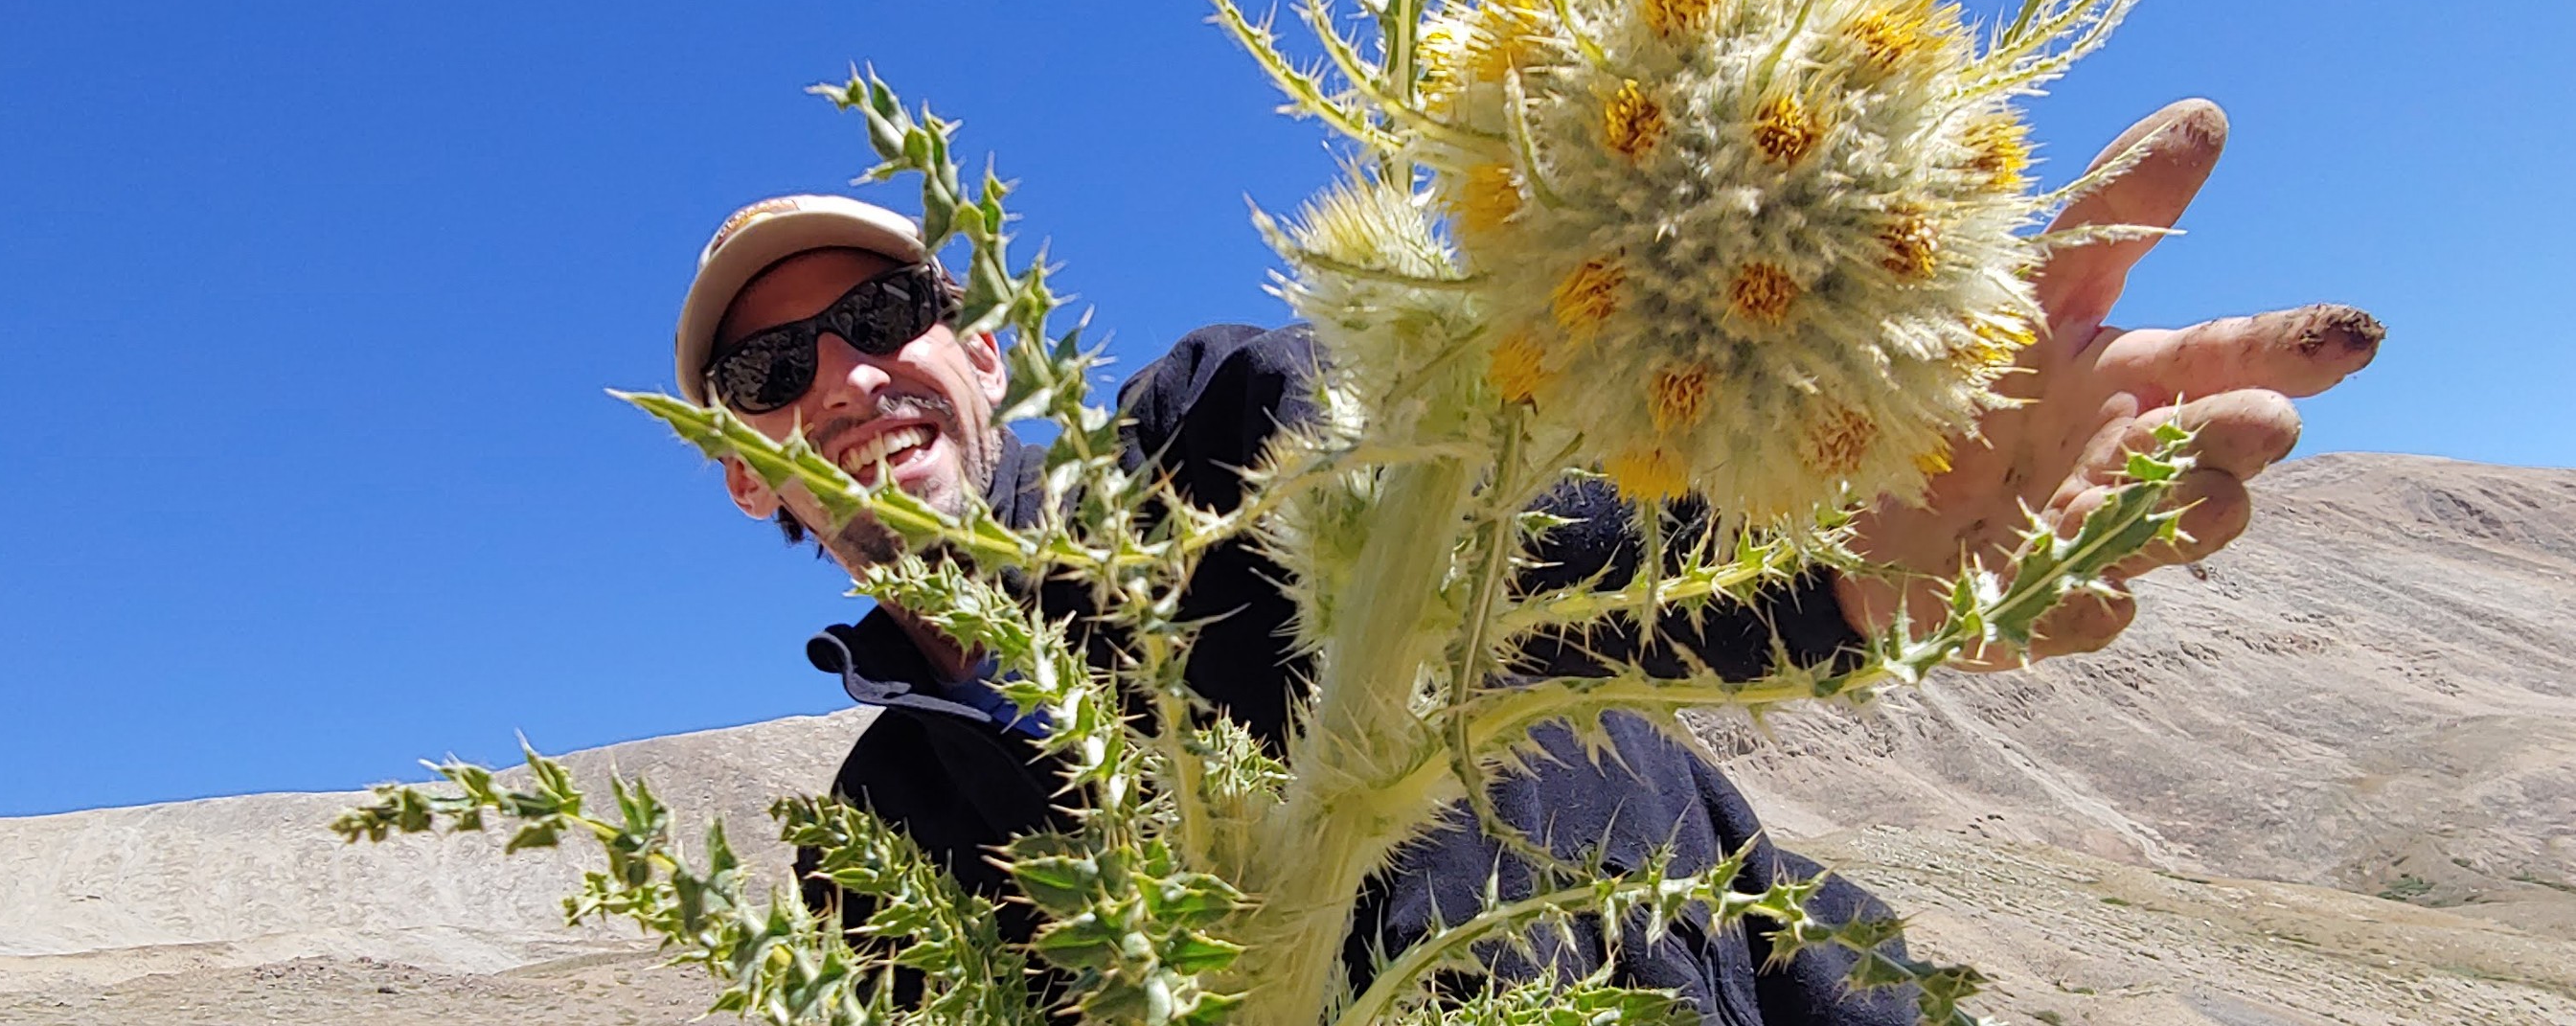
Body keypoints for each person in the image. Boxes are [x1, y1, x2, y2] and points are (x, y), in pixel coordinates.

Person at [670, 100, 2381, 1022]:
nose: (841, 378)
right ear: (745, 477)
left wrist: (1837, 551)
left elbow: (1529, 543)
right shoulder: (873, 847)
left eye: (883, 316)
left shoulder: (1223, 443)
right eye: (768, 376)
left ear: (975, 351)